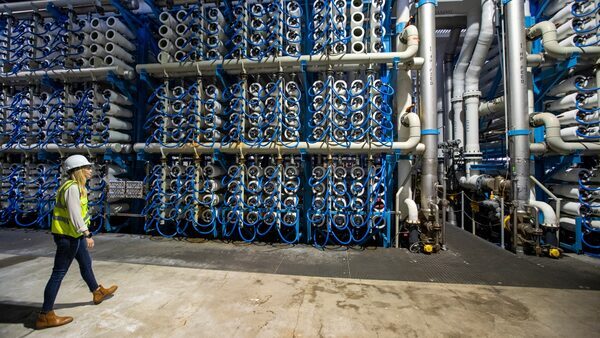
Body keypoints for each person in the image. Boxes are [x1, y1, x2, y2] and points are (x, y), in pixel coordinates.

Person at [36, 155, 118, 330]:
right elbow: (74, 215)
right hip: (68, 237)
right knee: (58, 273)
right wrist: (86, 233)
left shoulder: (78, 187)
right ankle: (45, 315)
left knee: (86, 263)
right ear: (78, 170)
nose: (91, 170)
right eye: (87, 168)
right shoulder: (72, 188)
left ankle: (97, 292)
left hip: (73, 236)